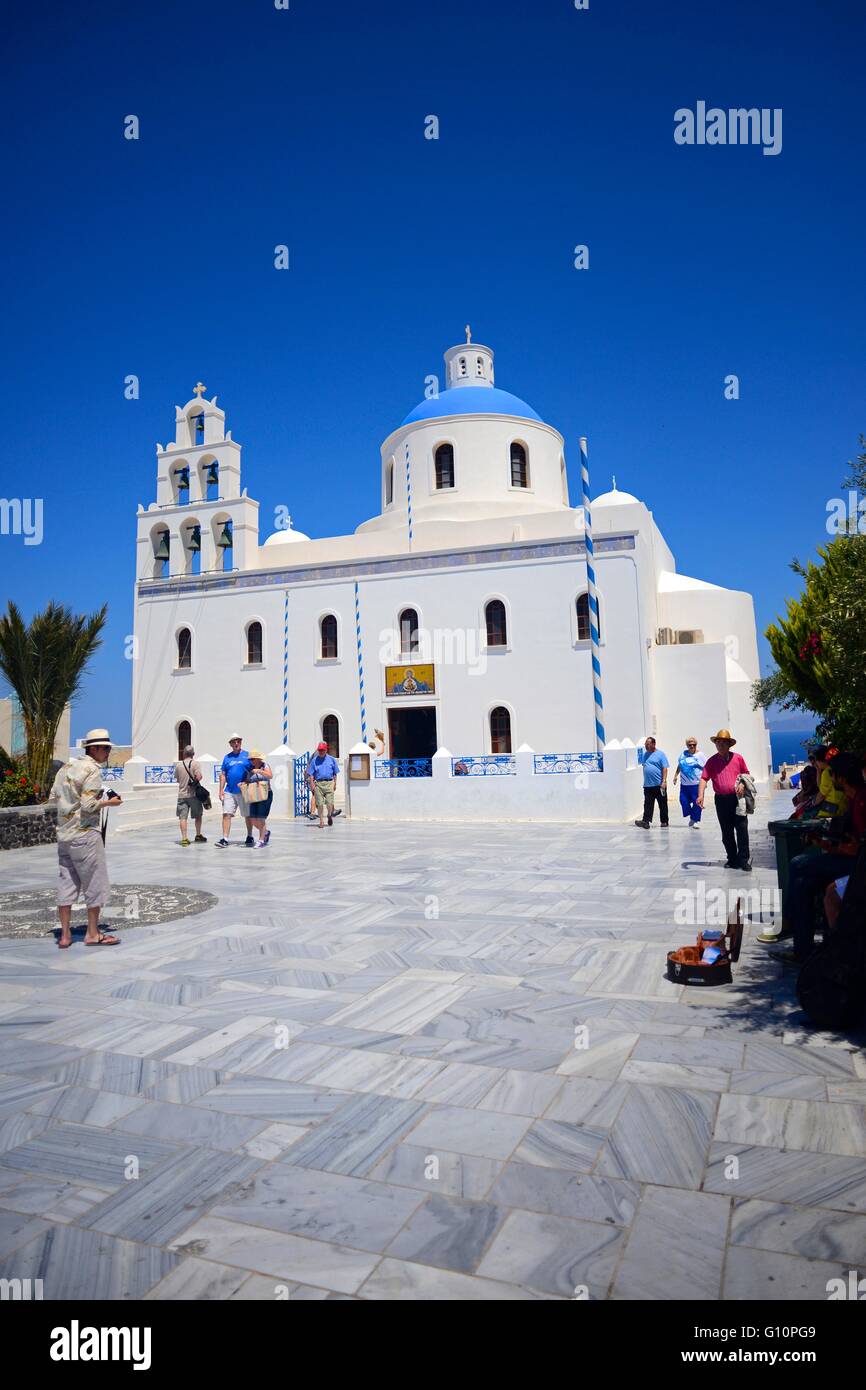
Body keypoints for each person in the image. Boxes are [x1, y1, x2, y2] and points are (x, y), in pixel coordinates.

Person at [780, 753, 866, 963]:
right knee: (802, 884)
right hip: (853, 861)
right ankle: (803, 949)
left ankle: (790, 921)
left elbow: (856, 851)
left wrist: (827, 846)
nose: (830, 779)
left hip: (859, 867)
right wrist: (825, 842)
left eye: (832, 774)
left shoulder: (862, 802)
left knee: (798, 863)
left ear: (842, 777)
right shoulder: (852, 799)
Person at [48, 729, 121, 948]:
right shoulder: (92, 770)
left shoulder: (66, 767)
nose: (108, 752)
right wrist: (111, 803)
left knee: (66, 882)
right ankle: (92, 933)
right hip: (85, 834)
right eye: (106, 748)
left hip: (64, 835)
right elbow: (89, 806)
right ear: (95, 748)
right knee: (93, 883)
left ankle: (65, 935)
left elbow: (53, 797)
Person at [696, 729, 751, 870]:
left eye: (722, 743)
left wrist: (742, 784)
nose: (719, 745)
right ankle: (732, 859)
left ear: (729, 744)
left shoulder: (738, 758)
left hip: (737, 799)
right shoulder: (712, 761)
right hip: (721, 800)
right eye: (717, 742)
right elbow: (704, 778)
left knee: (741, 828)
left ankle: (743, 860)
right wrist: (700, 795)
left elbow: (746, 774)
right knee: (726, 831)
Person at [216, 734, 253, 848]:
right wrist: (221, 790)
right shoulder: (227, 758)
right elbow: (223, 774)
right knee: (226, 814)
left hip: (243, 790)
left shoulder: (247, 756)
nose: (236, 743)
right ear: (230, 744)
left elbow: (253, 770)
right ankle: (225, 839)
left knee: (247, 815)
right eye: (234, 741)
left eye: (238, 741)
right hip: (229, 790)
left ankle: (250, 835)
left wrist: (248, 781)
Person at [174, 743, 207, 846]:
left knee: (182, 817)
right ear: (193, 754)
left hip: (182, 795)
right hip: (193, 795)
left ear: (184, 754)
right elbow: (199, 776)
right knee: (198, 815)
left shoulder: (179, 765)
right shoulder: (195, 764)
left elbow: (177, 779)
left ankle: (184, 838)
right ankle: (198, 835)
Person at [634, 736, 669, 828]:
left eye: (648, 744)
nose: (646, 746)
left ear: (653, 744)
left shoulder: (661, 754)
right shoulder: (645, 754)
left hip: (660, 784)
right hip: (648, 785)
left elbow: (665, 768)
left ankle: (664, 821)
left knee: (662, 804)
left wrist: (664, 781)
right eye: (645, 744)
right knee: (648, 804)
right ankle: (646, 821)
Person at [242, 750, 273, 847]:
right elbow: (247, 780)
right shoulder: (250, 768)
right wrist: (243, 783)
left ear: (258, 759)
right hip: (254, 795)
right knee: (252, 819)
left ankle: (261, 840)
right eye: (250, 759)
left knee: (260, 818)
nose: (251, 761)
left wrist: (259, 771)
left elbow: (270, 776)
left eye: (253, 759)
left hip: (265, 794)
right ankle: (265, 832)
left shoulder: (265, 766)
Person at [672, 737, 705, 828]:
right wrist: (675, 775)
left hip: (696, 784)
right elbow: (680, 765)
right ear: (687, 745)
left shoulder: (700, 755)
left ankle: (695, 820)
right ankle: (692, 815)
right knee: (683, 801)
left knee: (697, 803)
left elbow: (706, 768)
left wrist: (704, 782)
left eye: (694, 745)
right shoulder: (683, 754)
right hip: (684, 785)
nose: (692, 746)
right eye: (690, 745)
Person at [307, 741, 340, 828]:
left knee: (329, 803)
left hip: (329, 783)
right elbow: (311, 774)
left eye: (323, 750)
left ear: (326, 750)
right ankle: (321, 820)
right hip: (318, 783)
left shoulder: (332, 759)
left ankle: (329, 814)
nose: (321, 752)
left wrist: (335, 783)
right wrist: (312, 784)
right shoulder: (314, 760)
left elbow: (335, 773)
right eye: (320, 750)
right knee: (320, 803)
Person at [811, 746, 847, 819]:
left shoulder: (827, 772)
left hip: (831, 811)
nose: (815, 763)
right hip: (842, 807)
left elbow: (821, 795)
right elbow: (820, 786)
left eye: (816, 760)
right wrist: (818, 771)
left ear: (819, 760)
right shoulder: (834, 768)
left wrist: (813, 805)